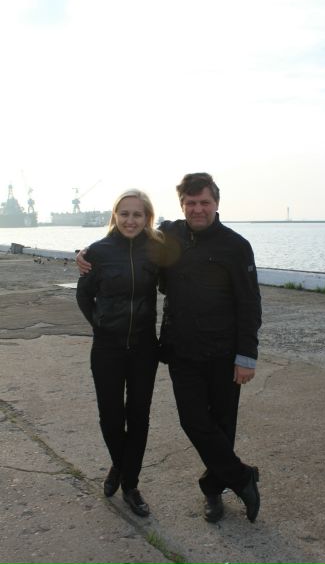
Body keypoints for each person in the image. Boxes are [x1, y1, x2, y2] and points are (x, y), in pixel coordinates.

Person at [77, 173, 262, 524]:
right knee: (193, 421)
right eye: (191, 203)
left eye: (204, 202)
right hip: (181, 352)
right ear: (182, 205)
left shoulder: (236, 246)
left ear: (216, 203)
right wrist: (85, 255)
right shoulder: (169, 235)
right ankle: (241, 477)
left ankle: (213, 490)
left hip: (222, 353)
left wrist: (246, 355)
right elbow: (118, 254)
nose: (198, 209)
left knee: (222, 426)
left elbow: (250, 303)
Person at [76, 188, 163, 517]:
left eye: (137, 214)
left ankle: (130, 484)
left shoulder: (156, 250)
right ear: (115, 215)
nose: (130, 220)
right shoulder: (98, 252)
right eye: (124, 213)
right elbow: (84, 296)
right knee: (111, 417)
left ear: (147, 218)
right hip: (107, 349)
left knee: (139, 417)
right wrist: (100, 325)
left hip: (144, 348)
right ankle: (121, 463)